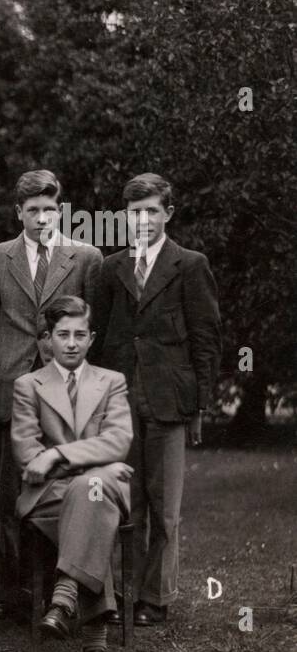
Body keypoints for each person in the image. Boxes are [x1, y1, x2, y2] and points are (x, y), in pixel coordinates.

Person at [89, 173, 222, 626]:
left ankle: (155, 599)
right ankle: (120, 592)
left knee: (165, 507)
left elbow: (206, 338)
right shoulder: (111, 269)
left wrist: (201, 404)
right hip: (120, 402)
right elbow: (99, 336)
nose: (142, 219)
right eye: (134, 211)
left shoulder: (190, 264)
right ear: (123, 215)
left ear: (168, 213)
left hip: (170, 400)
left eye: (151, 211)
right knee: (126, 504)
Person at [0, 169, 101, 619]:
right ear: (18, 212)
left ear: (60, 210)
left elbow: (90, 331)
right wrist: (4, 367)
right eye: (33, 210)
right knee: (13, 495)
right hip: (11, 386)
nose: (42, 218)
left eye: (50, 209)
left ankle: (61, 591)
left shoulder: (86, 258)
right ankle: (14, 596)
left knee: (64, 489)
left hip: (67, 394)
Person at [13, 296, 134, 652]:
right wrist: (95, 463)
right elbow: (28, 456)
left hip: (88, 490)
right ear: (47, 339)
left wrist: (59, 455)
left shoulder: (111, 381)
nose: (71, 343)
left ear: (92, 337)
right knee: (92, 500)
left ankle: (64, 596)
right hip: (48, 496)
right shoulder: (28, 385)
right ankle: (95, 651)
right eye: (62, 335)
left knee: (90, 493)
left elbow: (118, 440)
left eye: (80, 334)